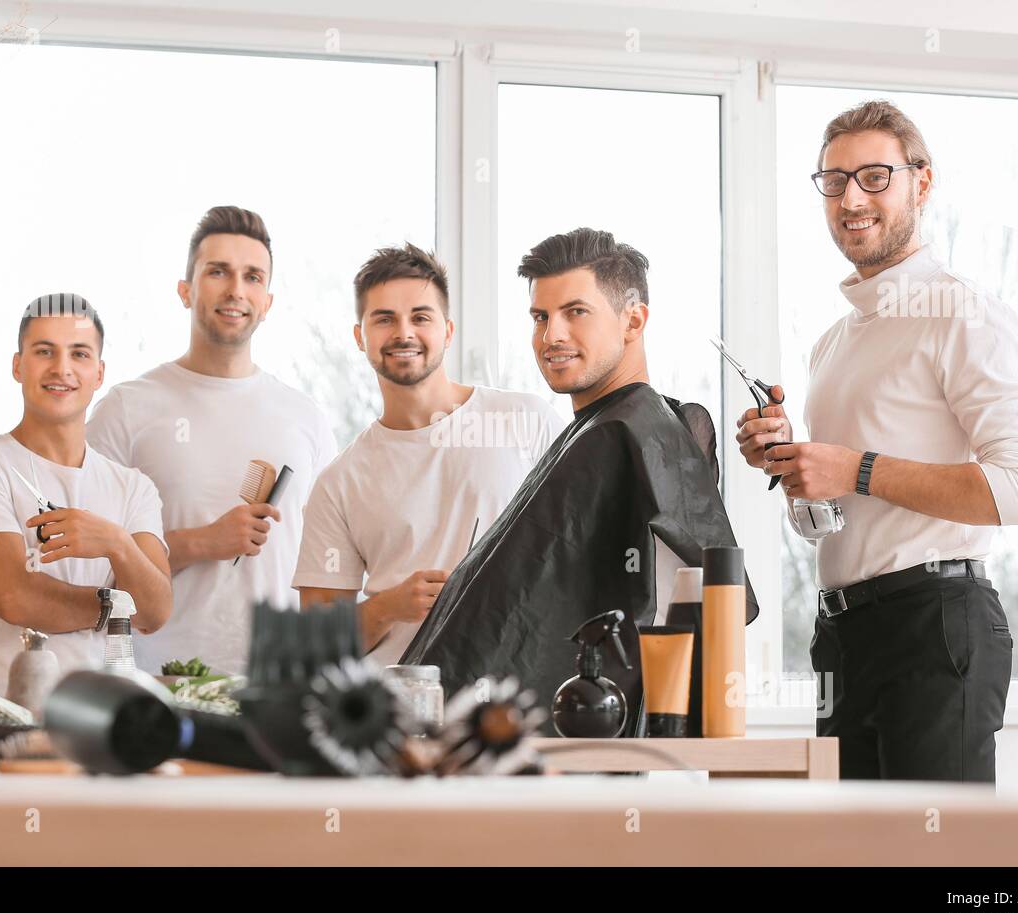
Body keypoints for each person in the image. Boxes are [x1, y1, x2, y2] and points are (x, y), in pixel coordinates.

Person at [736, 100, 1018, 781]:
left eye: (875, 177)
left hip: (934, 626)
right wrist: (796, 464)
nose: (852, 198)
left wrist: (855, 467)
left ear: (922, 183)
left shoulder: (962, 313)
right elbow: (832, 520)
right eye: (834, 181)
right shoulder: (833, 343)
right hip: (844, 637)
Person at [403, 227, 757, 732]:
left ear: (634, 319)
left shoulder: (627, 432)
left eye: (576, 312)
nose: (552, 336)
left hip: (565, 756)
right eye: (540, 317)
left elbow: (705, 605)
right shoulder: (598, 432)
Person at [87, 206, 336, 676]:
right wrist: (204, 542)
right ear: (185, 290)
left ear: (268, 300)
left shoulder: (307, 420)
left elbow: (326, 570)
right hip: (154, 684)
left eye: (252, 277)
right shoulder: (126, 410)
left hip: (277, 689)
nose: (235, 290)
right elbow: (90, 569)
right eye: (218, 271)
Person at [292, 244, 564, 665]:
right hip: (402, 709)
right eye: (384, 319)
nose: (404, 333)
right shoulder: (338, 483)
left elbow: (575, 553)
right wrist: (389, 607)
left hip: (515, 700)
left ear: (448, 331)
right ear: (359, 336)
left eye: (420, 317)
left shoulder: (527, 420)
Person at [0, 294, 172, 693]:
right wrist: (117, 604)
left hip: (101, 723)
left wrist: (116, 542)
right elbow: (17, 598)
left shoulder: (133, 488)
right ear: (18, 365)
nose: (61, 368)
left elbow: (155, 611)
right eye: (44, 351)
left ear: (99, 373)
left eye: (79, 354)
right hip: (3, 720)